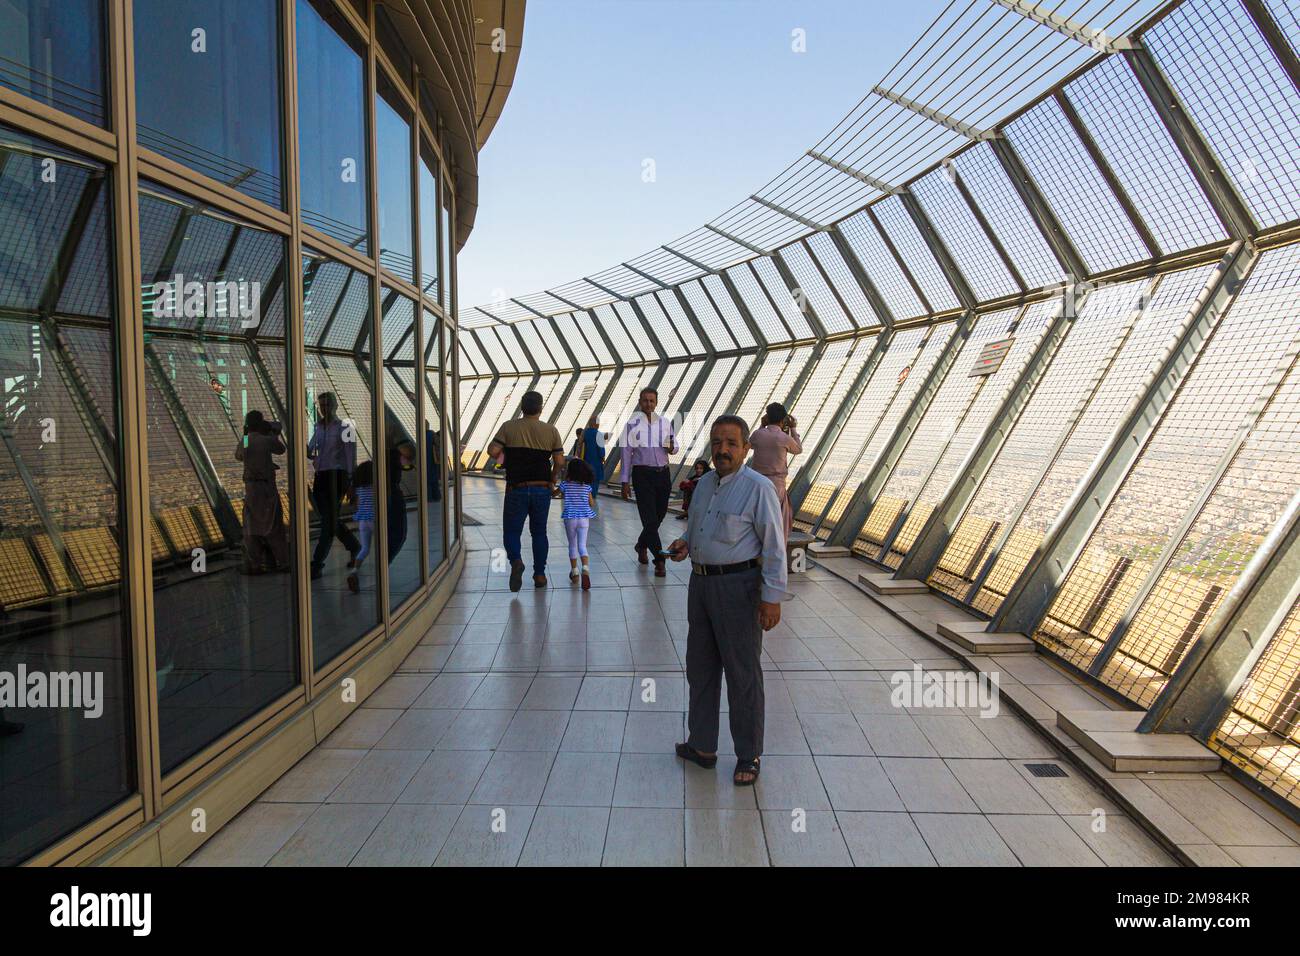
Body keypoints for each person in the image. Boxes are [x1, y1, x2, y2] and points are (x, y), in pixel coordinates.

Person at [666, 415, 789, 787]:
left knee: (742, 674)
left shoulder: (758, 488)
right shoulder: (704, 484)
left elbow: (774, 546)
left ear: (746, 449)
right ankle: (702, 745)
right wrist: (686, 543)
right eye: (717, 442)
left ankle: (748, 754)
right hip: (701, 586)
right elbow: (699, 526)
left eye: (731, 443)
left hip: (740, 589)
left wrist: (771, 599)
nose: (722, 450)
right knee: (700, 669)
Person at [487, 390, 565, 591]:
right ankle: (539, 574)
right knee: (539, 532)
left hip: (517, 487)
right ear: (540, 408)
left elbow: (493, 451)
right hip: (541, 488)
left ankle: (516, 562)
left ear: (522, 407)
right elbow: (559, 461)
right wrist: (552, 478)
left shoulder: (509, 427)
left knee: (512, 531)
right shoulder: (551, 430)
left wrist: (506, 458)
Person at [620, 386, 677, 577]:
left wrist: (671, 447)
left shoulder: (665, 423)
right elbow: (626, 453)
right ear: (639, 401)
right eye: (645, 400)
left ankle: (641, 544)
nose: (648, 404)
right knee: (649, 518)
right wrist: (624, 481)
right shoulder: (632, 424)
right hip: (642, 474)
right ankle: (659, 560)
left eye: (652, 400)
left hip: (663, 474)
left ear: (656, 402)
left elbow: (674, 447)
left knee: (659, 516)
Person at [307, 391, 359, 580]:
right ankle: (354, 547)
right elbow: (310, 449)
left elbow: (349, 456)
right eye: (321, 406)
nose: (324, 409)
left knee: (328, 522)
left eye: (327, 405)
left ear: (335, 406)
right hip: (321, 477)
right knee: (330, 520)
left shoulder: (345, 427)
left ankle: (317, 562)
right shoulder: (319, 427)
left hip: (337, 476)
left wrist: (351, 482)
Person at [235, 410, 290, 574]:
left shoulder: (245, 441)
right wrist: (273, 434)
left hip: (251, 489)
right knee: (273, 526)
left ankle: (255, 564)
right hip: (267, 488)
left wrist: (245, 436)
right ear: (260, 423)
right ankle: (284, 561)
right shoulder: (266, 441)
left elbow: (239, 455)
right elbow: (280, 449)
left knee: (251, 527)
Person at [749, 402, 803, 540]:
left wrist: (762, 425)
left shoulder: (757, 434)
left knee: (756, 517)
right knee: (776, 520)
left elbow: (750, 444)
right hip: (777, 484)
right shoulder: (784, 438)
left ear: (767, 417)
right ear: (783, 419)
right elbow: (798, 449)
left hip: (756, 482)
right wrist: (793, 428)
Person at [558, 457, 597, 590]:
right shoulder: (587, 487)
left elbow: (555, 493)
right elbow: (592, 504)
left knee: (572, 545)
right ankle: (585, 568)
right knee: (582, 545)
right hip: (584, 518)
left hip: (570, 518)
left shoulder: (565, 485)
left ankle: (574, 572)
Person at [346, 460, 376, 594]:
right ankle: (381, 572)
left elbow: (357, 504)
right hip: (374, 518)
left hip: (363, 520)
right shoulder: (375, 486)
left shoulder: (359, 489)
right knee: (383, 545)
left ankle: (354, 571)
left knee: (364, 548)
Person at [581, 415, 606, 513]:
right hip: (595, 462)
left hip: (585, 461)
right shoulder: (598, 434)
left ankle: (585, 495)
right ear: (596, 424)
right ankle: (592, 496)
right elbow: (601, 450)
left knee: (586, 479)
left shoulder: (585, 433)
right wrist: (602, 457)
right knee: (595, 480)